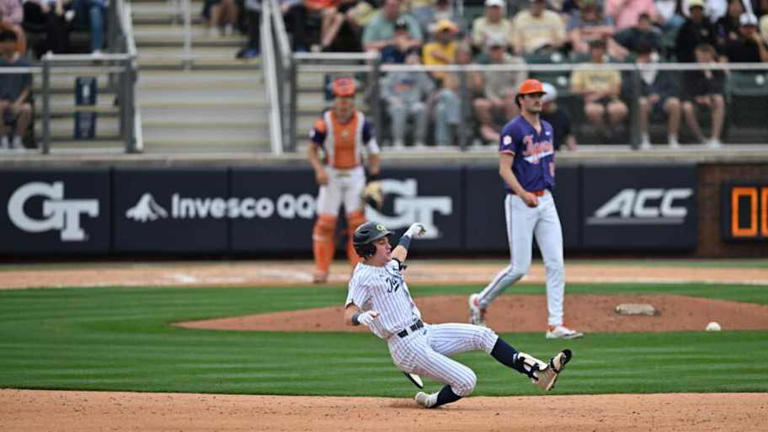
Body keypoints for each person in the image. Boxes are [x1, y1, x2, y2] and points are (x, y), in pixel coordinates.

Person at [345, 221, 573, 409]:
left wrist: (409, 234)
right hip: (405, 346)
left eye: (387, 241)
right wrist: (358, 318)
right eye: (381, 242)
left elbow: (399, 254)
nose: (388, 245)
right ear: (368, 250)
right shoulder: (362, 277)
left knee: (483, 335)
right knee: (467, 381)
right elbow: (349, 313)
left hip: (424, 331)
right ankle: (431, 400)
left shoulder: (388, 264)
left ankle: (538, 374)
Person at [468, 79, 582, 340]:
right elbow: (504, 169)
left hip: (546, 199)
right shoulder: (513, 129)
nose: (537, 99)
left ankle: (555, 324)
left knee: (556, 263)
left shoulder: (548, 128)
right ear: (520, 100)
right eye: (531, 95)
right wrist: (523, 193)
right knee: (519, 267)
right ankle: (480, 301)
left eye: (539, 95)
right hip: (520, 201)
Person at [308, 77, 381, 283]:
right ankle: (321, 269)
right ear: (334, 99)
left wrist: (374, 180)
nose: (344, 102)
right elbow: (312, 151)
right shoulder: (323, 123)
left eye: (348, 97)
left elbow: (373, 152)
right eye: (340, 97)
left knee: (358, 224)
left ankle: (357, 270)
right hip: (331, 174)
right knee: (325, 223)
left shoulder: (363, 123)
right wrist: (319, 170)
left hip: (355, 174)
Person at [569, 38, 628, 142]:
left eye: (601, 49)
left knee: (619, 109)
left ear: (605, 51)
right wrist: (592, 93)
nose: (598, 52)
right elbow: (575, 89)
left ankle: (611, 132)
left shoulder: (612, 67)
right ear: (590, 51)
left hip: (610, 98)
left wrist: (600, 94)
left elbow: (617, 89)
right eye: (595, 49)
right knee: (594, 111)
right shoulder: (582, 68)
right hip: (590, 99)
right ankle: (602, 133)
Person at [472, 35, 527, 143]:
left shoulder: (517, 62)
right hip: (495, 100)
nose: (496, 51)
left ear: (504, 48)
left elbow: (521, 83)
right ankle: (493, 131)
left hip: (513, 97)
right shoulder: (489, 67)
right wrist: (494, 99)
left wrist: (513, 93)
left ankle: (512, 134)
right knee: (479, 104)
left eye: (498, 48)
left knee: (513, 101)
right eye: (493, 48)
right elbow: (488, 88)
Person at [634, 42, 682, 148]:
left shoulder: (662, 66)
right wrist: (638, 71)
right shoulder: (633, 67)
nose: (645, 57)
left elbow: (673, 87)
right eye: (642, 54)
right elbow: (629, 88)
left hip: (662, 99)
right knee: (642, 103)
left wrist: (660, 96)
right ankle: (644, 139)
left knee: (675, 103)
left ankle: (673, 139)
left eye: (647, 54)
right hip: (645, 100)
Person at [383, 52, 434, 148]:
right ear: (406, 59)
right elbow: (384, 90)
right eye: (412, 58)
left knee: (422, 109)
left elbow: (430, 89)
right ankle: (398, 141)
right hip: (397, 102)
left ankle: (419, 141)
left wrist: (422, 72)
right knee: (399, 109)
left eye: (416, 59)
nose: (413, 61)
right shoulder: (396, 71)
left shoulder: (420, 73)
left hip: (414, 103)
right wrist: (392, 99)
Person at [681, 43, 725, 147]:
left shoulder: (718, 70)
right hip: (694, 100)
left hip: (711, 99)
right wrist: (696, 99)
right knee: (687, 107)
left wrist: (708, 75)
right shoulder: (690, 69)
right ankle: (701, 139)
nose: (703, 60)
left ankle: (715, 139)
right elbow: (685, 89)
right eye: (701, 57)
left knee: (719, 100)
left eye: (706, 57)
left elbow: (719, 89)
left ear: (711, 56)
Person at [0, 30, 32, 150]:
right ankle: (3, 140)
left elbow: (27, 87)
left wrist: (18, 102)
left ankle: (17, 140)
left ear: (15, 43)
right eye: (4, 42)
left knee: (27, 109)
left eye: (10, 42)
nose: (7, 45)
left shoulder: (24, 63)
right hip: (2, 102)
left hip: (18, 102)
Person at [539, 82, 578, 151]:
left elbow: (569, 137)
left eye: (544, 103)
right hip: (536, 153)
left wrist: (573, 152)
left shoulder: (562, 116)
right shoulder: (535, 115)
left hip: (555, 153)